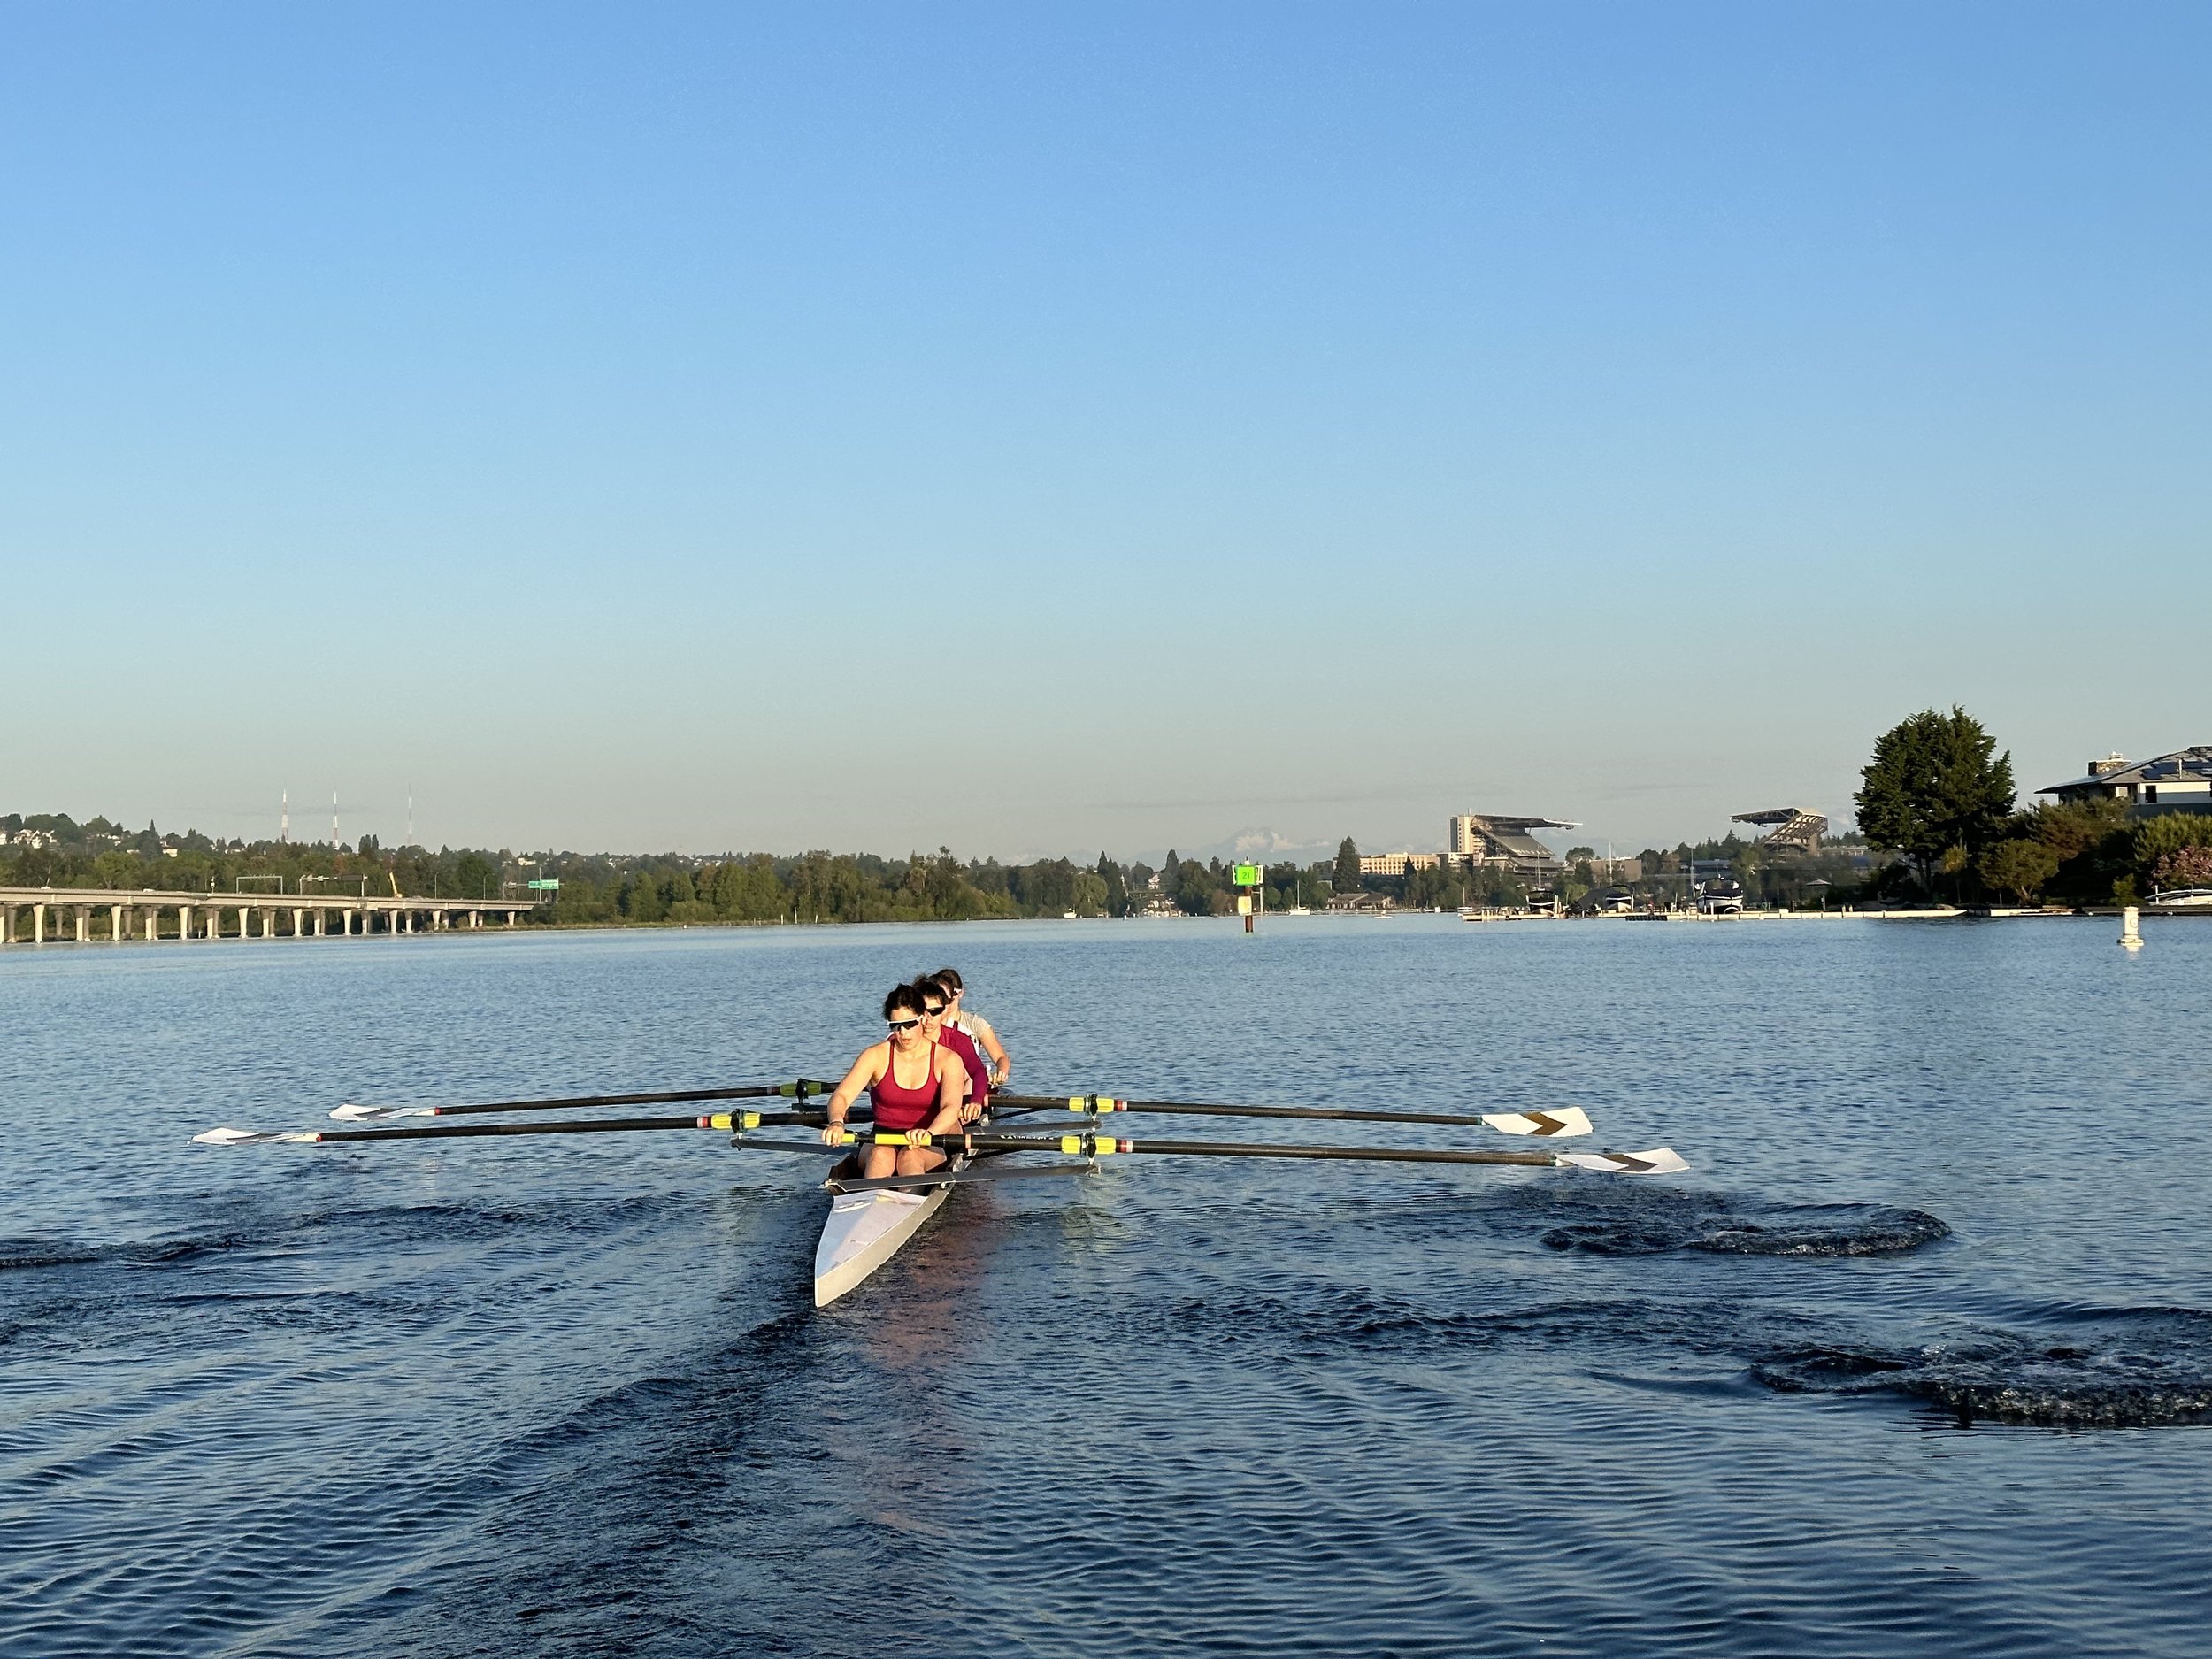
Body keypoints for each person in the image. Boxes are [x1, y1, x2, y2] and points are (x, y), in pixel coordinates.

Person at [819, 983, 966, 1180]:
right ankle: (870, 1202)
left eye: (909, 1024)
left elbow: (950, 1107)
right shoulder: (874, 1056)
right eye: (895, 1026)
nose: (903, 1033)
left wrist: (929, 1133)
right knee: (882, 1155)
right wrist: (836, 1122)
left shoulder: (948, 1059)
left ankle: (909, 1202)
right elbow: (842, 1096)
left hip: (928, 1139)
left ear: (923, 1017)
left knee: (910, 1156)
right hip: (880, 1139)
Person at [917, 973, 988, 1123]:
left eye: (935, 1011)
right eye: (922, 1012)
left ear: (943, 1011)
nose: (927, 1019)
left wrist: (976, 1100)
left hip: (950, 1110)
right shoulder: (900, 1039)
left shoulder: (958, 1039)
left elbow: (979, 1072)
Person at [932, 966, 1010, 1090]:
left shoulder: (975, 1024)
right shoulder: (929, 1024)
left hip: (970, 1084)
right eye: (944, 996)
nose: (949, 1000)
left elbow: (1001, 1057)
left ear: (961, 993)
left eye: (953, 994)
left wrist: (1001, 1072)